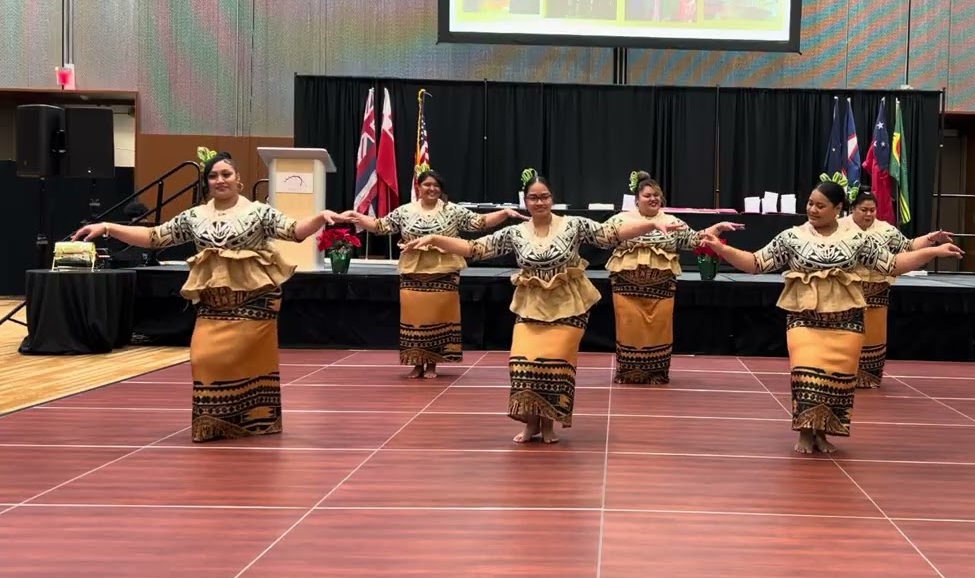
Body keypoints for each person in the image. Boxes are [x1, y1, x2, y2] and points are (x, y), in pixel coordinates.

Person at [399, 169, 687, 444]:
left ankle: (548, 423)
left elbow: (608, 235)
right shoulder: (516, 233)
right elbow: (477, 249)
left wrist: (651, 223)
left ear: (552, 198)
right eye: (534, 197)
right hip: (531, 307)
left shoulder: (573, 225)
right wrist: (436, 238)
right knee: (522, 365)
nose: (540, 202)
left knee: (554, 364)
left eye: (544, 196)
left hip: (568, 307)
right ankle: (531, 423)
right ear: (526, 201)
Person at [72, 153, 340, 443]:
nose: (220, 180)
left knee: (245, 359)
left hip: (255, 299)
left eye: (226, 174)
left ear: (239, 180)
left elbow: (294, 231)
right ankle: (215, 422)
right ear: (207, 183)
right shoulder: (195, 216)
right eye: (213, 176)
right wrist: (108, 228)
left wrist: (320, 218)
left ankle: (253, 420)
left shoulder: (259, 213)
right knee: (203, 357)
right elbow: (154, 236)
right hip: (213, 303)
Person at [697, 180, 963, 454]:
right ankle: (804, 431)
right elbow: (756, 263)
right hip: (804, 318)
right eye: (810, 203)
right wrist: (721, 248)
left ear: (838, 209)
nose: (812, 209)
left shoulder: (857, 239)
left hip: (847, 320)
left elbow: (892, 264)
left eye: (820, 205)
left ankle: (822, 434)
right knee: (805, 374)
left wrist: (932, 251)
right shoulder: (792, 237)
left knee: (836, 380)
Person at [344, 168, 524, 379]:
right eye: (427, 185)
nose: (432, 189)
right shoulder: (405, 211)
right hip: (413, 273)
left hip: (444, 273)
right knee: (414, 320)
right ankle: (417, 363)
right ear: (418, 188)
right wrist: (357, 217)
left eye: (436, 186)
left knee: (440, 318)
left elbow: (479, 222)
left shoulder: (452, 211)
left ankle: (433, 365)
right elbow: (380, 226)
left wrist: (504, 213)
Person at [604, 171, 742, 385]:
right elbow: (601, 237)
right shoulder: (621, 220)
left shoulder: (671, 221)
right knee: (629, 327)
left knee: (659, 329)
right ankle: (628, 372)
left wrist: (717, 227)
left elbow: (694, 240)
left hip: (661, 287)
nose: (653, 199)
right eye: (648, 195)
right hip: (625, 287)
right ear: (637, 199)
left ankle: (657, 373)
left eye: (656, 195)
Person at [845, 191, 952, 388]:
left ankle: (868, 379)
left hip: (876, 294)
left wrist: (931, 238)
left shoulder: (886, 230)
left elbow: (908, 247)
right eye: (863, 210)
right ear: (852, 209)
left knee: (873, 339)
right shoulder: (839, 229)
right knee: (845, 340)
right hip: (845, 294)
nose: (868, 214)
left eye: (872, 210)